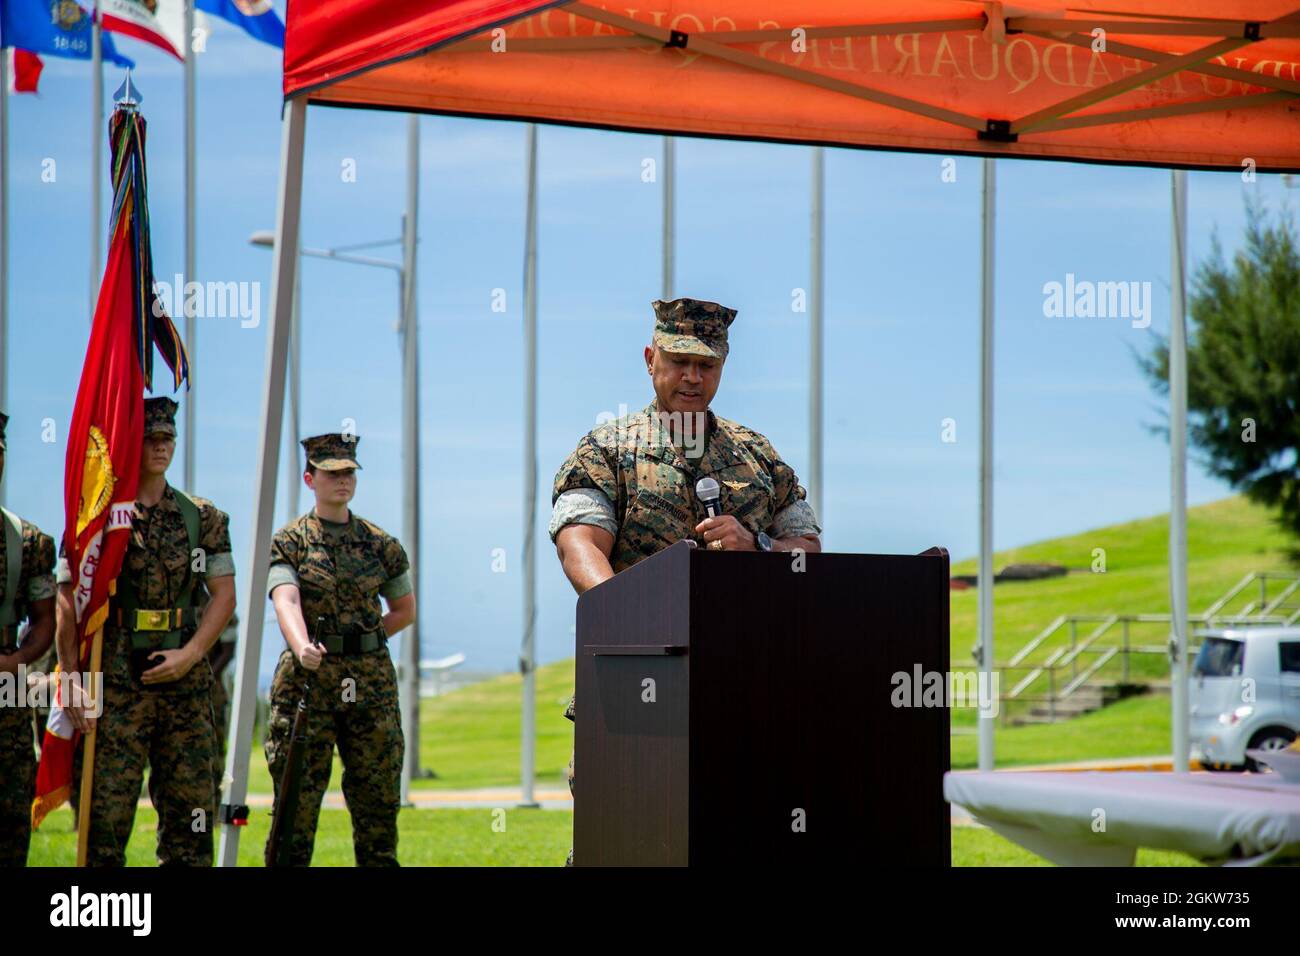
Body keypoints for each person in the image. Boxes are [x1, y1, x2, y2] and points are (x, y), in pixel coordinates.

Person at [549, 297, 823, 865]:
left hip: (742, 686)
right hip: (634, 686)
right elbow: (579, 545)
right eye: (679, 361)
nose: (692, 377)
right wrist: (629, 616)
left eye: (708, 366)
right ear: (651, 359)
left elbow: (808, 551)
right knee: (623, 843)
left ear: (722, 369)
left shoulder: (757, 457)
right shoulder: (607, 449)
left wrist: (760, 547)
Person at [58, 396, 237, 866]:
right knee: (105, 821)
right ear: (129, 442)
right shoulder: (98, 517)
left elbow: (224, 594)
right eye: (151, 438)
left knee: (191, 816)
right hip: (117, 681)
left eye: (168, 438)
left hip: (184, 684)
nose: (161, 447)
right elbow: (68, 599)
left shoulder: (203, 517)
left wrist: (193, 654)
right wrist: (71, 678)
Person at [263, 432, 415, 867]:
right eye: (332, 474)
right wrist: (303, 644)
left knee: (378, 802)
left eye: (348, 472)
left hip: (370, 687)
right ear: (310, 479)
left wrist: (365, 641)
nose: (342, 481)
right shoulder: (290, 540)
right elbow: (285, 598)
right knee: (295, 804)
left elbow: (404, 609)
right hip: (308, 684)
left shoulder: (380, 543)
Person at [0, 412, 57, 866]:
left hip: (6, 691)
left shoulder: (28, 541)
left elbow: (44, 619)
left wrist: (18, 660)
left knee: (10, 821)